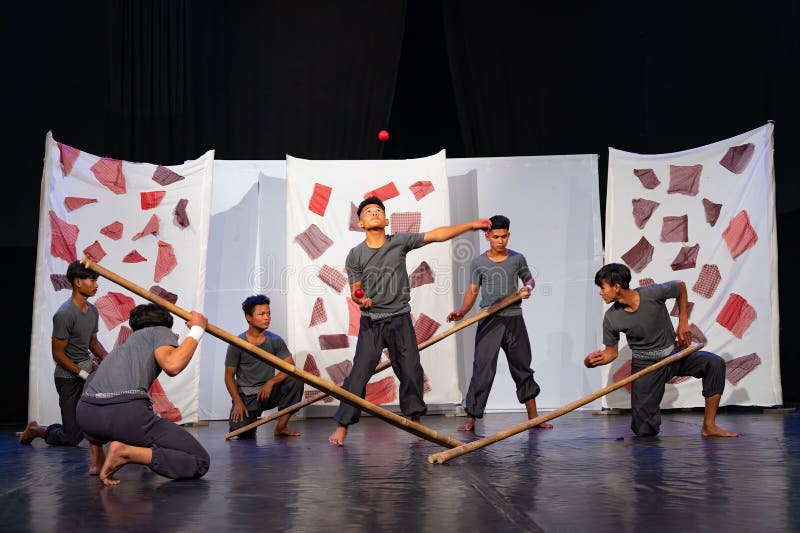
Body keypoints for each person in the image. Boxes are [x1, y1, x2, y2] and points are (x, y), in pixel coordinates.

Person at [328, 195, 491, 446]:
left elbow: (437, 234)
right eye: (368, 211)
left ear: (386, 220)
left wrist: (470, 226)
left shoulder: (400, 241)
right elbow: (355, 289)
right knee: (358, 375)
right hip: (372, 324)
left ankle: (415, 422)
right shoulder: (355, 255)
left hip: (400, 320)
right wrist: (362, 300)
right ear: (360, 223)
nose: (373, 213)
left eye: (378, 210)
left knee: (411, 371)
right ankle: (342, 427)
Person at [584, 263, 738, 438]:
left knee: (714, 363)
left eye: (602, 287)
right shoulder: (612, 318)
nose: (600, 292)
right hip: (645, 366)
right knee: (643, 430)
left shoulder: (651, 293)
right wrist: (591, 361)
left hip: (674, 354)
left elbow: (679, 285)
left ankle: (709, 426)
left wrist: (683, 321)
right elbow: (611, 352)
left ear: (616, 287)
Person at [76, 304, 211, 485]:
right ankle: (126, 453)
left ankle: (96, 463)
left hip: (87, 416)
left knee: (100, 387)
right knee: (199, 460)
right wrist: (197, 329)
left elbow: (91, 385)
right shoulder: (159, 331)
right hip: (124, 415)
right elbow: (172, 365)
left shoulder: (122, 349)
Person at [446, 214, 550, 432]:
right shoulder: (478, 263)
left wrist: (528, 289)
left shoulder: (517, 258)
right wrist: (462, 312)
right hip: (489, 320)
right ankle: (472, 418)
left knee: (522, 367)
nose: (500, 241)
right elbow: (473, 290)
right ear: (487, 236)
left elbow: (529, 279)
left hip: (514, 319)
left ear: (508, 235)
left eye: (504, 237)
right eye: (496, 237)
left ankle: (534, 417)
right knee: (482, 370)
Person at [19, 260, 109, 475]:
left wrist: (107, 358)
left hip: (87, 370)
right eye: (92, 280)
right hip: (68, 377)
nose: (96, 285)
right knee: (71, 438)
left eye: (96, 280)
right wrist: (83, 373)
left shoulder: (93, 310)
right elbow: (57, 354)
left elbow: (93, 342)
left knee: (107, 405)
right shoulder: (64, 314)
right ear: (78, 282)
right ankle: (36, 430)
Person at [225, 294, 303, 439]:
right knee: (241, 432)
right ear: (249, 317)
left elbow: (290, 367)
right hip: (247, 396)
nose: (267, 317)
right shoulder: (237, 343)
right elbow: (228, 376)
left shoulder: (275, 340)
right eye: (261, 314)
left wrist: (271, 381)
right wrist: (237, 402)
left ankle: (281, 427)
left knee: (295, 379)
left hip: (268, 392)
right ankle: (250, 418)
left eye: (268, 313)